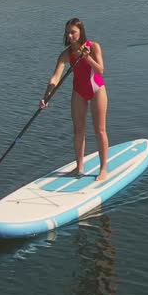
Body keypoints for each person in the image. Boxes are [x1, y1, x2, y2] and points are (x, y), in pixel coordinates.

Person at [41, 17, 110, 181]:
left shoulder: (93, 47)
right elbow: (55, 78)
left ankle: (103, 169)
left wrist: (88, 58)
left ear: (81, 32)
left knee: (99, 130)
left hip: (97, 90)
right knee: (78, 130)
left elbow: (100, 70)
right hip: (79, 91)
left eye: (73, 32)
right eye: (67, 33)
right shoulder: (66, 55)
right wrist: (46, 96)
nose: (70, 36)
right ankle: (79, 168)